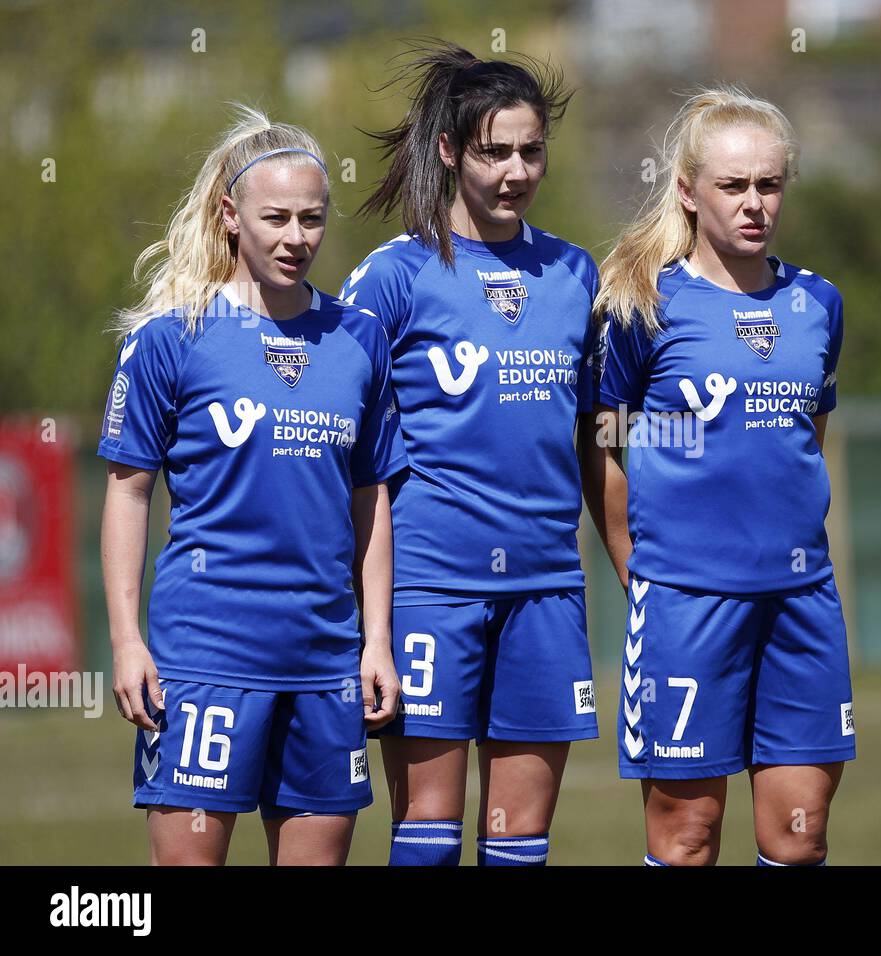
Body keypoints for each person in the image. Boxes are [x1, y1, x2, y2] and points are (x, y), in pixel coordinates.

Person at [99, 106, 406, 865]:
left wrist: (377, 643)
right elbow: (128, 491)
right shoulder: (171, 338)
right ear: (232, 215)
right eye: (276, 217)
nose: (296, 237)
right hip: (204, 653)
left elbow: (372, 501)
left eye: (312, 219)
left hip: (325, 659)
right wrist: (127, 638)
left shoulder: (359, 337)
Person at [341, 41, 598, 867]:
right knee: (427, 837)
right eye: (494, 152)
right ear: (451, 152)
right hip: (429, 585)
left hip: (547, 587)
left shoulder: (573, 274)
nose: (516, 170)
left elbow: (604, 438)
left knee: (519, 841)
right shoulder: (393, 277)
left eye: (531, 150)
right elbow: (346, 447)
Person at [585, 86, 855, 866]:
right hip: (685, 602)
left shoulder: (818, 303)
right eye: (733, 186)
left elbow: (807, 433)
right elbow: (607, 442)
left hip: (801, 600)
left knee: (799, 834)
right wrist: (639, 568)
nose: (753, 204)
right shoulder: (643, 303)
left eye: (768, 185)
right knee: (687, 836)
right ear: (688, 191)